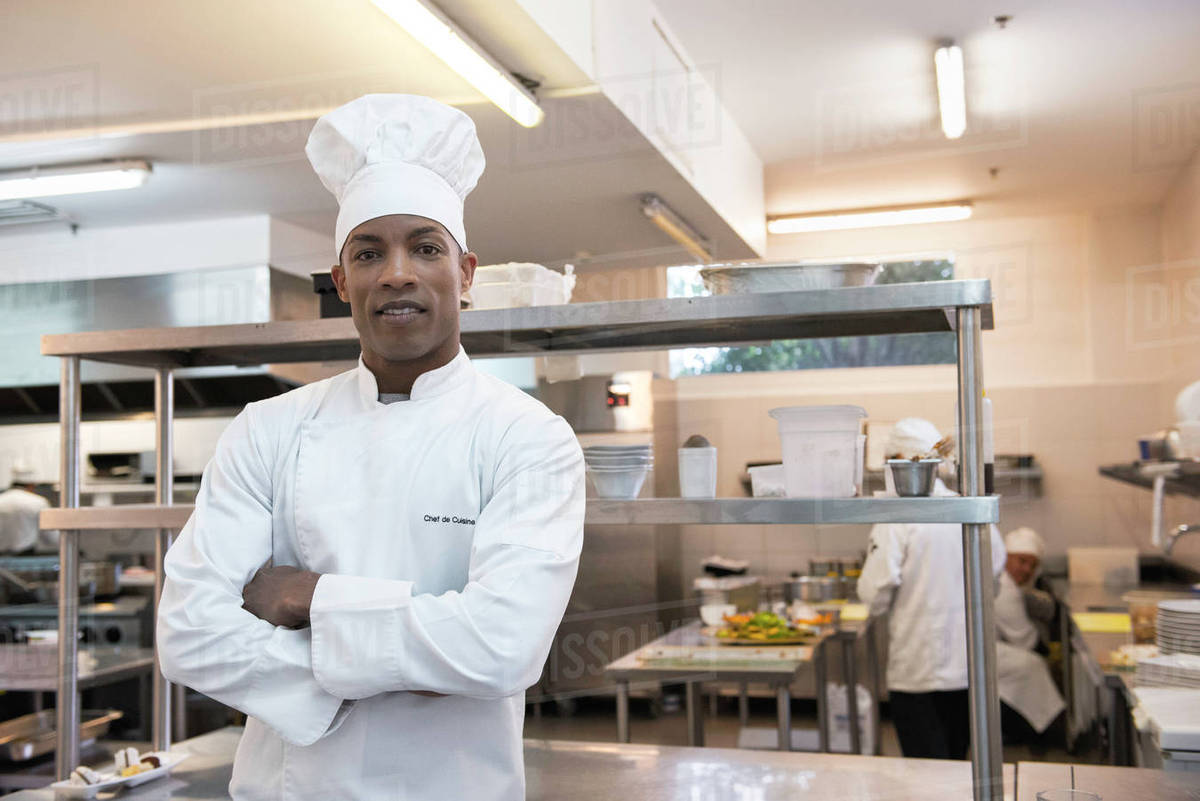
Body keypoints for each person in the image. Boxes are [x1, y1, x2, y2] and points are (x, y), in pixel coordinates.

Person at [157, 94, 585, 801]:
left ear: (466, 272)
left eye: (424, 246)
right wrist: (390, 656)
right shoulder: (267, 429)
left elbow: (503, 646)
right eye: (368, 252)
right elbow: (188, 634)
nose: (396, 273)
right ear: (340, 281)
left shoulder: (527, 437)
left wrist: (312, 596)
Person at [857, 418, 1006, 760]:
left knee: (925, 773)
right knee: (955, 767)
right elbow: (994, 579)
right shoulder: (966, 508)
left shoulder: (897, 516)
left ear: (896, 461)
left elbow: (874, 595)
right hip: (968, 670)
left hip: (916, 673)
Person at [995, 527, 1064, 742]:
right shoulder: (1004, 586)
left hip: (991, 646)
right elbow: (1024, 639)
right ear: (1006, 558)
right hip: (978, 653)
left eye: (1032, 566)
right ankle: (1037, 728)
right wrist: (1050, 653)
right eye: (1022, 561)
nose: (1026, 570)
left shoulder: (1007, 581)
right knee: (1030, 665)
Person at [0, 464, 56, 554]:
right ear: (31, 485)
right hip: (26, 557)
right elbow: (52, 537)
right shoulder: (39, 502)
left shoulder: (1, 500)